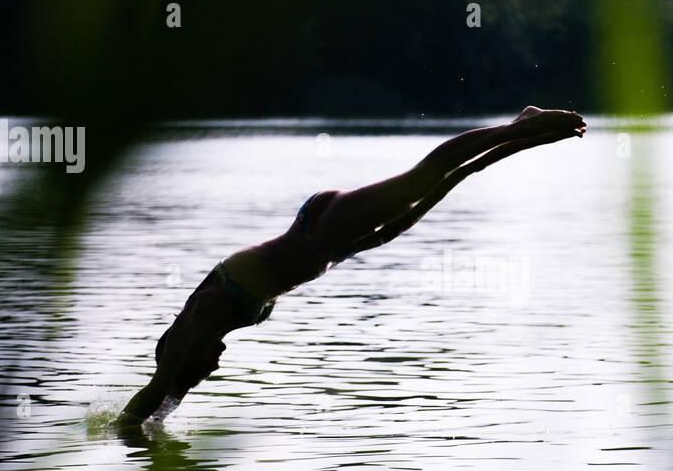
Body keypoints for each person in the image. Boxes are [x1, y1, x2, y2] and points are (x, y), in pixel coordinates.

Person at [118, 107, 587, 426]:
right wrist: (156, 428)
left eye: (202, 371)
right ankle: (517, 144)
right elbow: (167, 399)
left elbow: (156, 392)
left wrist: (123, 430)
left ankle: (518, 125)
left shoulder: (195, 325)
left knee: (421, 177)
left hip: (317, 232)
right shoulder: (206, 335)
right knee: (443, 184)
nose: (213, 370)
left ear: (184, 357)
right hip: (335, 249)